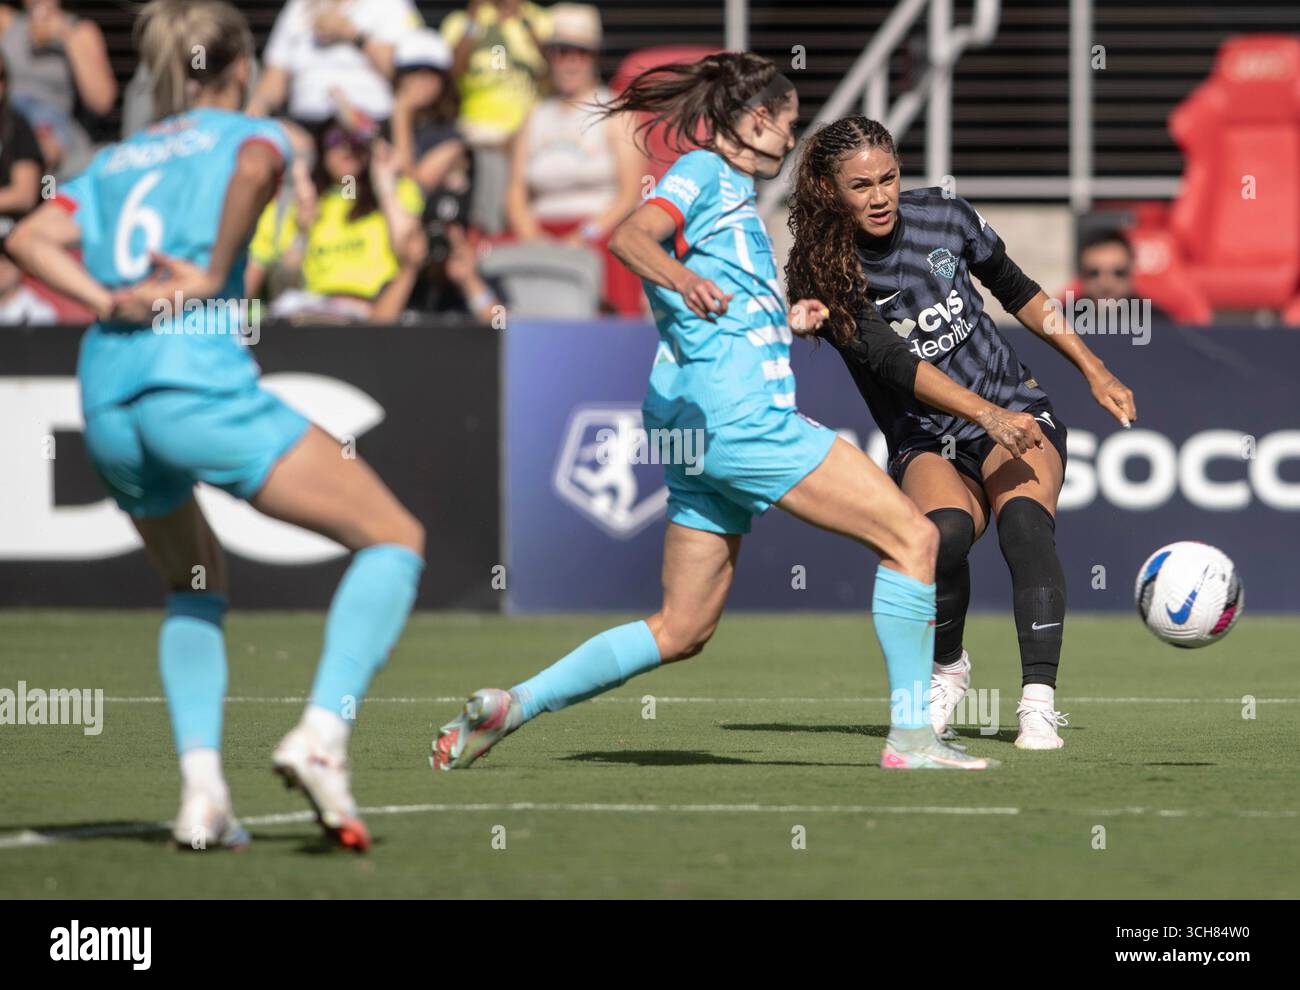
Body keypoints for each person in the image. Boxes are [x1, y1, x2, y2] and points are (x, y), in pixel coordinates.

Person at [433, 53, 992, 774]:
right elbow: (632, 238)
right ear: (757, 120)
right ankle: (913, 739)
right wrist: (681, 276)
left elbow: (722, 300)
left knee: (682, 628)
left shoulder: (731, 195)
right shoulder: (701, 174)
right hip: (740, 420)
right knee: (914, 541)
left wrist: (789, 316)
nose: (791, 141)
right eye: (788, 126)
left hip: (692, 427)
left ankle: (514, 704)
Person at [4, 0, 426, 851]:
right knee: (394, 537)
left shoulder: (117, 156)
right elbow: (256, 166)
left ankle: (202, 796)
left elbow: (31, 237)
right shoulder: (250, 131)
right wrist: (202, 273)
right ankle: (322, 736)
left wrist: (104, 300)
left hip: (107, 396)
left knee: (195, 583)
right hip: (190, 378)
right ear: (239, 66)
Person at [785, 115, 1137, 749]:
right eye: (861, 185)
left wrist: (1093, 367)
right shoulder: (825, 273)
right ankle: (949, 668)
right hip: (928, 433)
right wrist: (983, 415)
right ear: (829, 191)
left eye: (889, 177)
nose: (880, 196)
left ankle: (1037, 701)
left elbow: (1018, 289)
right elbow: (897, 364)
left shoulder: (945, 217)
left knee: (1025, 524)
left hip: (1015, 406)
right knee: (940, 536)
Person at [504, 3, 642, 314]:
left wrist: (584, 236)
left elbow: (629, 194)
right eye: (559, 52)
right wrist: (532, 236)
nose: (569, 61)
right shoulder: (534, 116)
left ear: (593, 57)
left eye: (579, 52)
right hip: (540, 234)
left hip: (599, 236)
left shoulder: (616, 113)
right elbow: (514, 190)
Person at [247, 122, 424, 321]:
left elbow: (410, 251)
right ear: (322, 147)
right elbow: (283, 283)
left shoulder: (399, 192)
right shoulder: (299, 204)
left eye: (356, 141)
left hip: (373, 314)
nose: (347, 149)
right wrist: (301, 233)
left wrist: (384, 183)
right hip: (314, 314)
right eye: (336, 139)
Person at [248, 0, 423, 129]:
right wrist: (258, 107)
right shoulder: (298, 7)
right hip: (307, 125)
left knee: (349, 171)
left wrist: (352, 34)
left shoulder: (392, 5)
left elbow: (407, 76)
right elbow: (274, 79)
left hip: (373, 125)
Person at [0, 0, 116, 176]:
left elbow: (102, 102)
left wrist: (66, 36)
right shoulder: (8, 22)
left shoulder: (79, 30)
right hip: (10, 120)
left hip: (52, 126)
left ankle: (45, 193)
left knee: (44, 154)